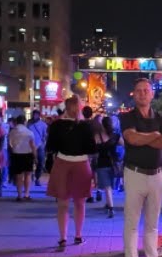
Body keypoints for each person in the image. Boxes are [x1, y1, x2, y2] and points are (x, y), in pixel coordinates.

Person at [118, 79, 162, 257]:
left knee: (152, 224)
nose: (142, 93)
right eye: (139, 90)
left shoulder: (161, 117)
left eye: (146, 90)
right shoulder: (127, 117)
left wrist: (144, 138)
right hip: (134, 173)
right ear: (134, 94)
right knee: (131, 223)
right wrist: (154, 135)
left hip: (156, 175)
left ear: (152, 94)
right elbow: (131, 139)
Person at [48, 96, 96, 246]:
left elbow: (50, 147)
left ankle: (63, 237)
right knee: (80, 203)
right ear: (80, 108)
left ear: (66, 108)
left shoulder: (56, 125)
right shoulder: (86, 126)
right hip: (81, 164)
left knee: (62, 203)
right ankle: (78, 235)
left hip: (62, 163)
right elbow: (92, 149)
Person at [92, 115, 120, 216]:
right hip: (113, 164)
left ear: (102, 125)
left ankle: (111, 208)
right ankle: (108, 204)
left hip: (102, 164)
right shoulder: (115, 136)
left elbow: (94, 150)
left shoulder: (97, 136)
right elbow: (124, 145)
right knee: (110, 186)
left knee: (107, 187)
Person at [8, 115, 36, 201]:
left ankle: (19, 195)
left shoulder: (12, 132)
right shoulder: (29, 132)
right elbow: (32, 145)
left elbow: (10, 144)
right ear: (25, 122)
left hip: (17, 154)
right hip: (28, 154)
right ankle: (26, 194)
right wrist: (35, 156)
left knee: (19, 175)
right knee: (28, 174)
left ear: (16, 122)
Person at [28, 111, 48, 186]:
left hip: (40, 146)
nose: (35, 116)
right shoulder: (29, 124)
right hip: (30, 146)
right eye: (34, 114)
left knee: (40, 162)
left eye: (36, 115)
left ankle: (37, 178)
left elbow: (45, 135)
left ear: (39, 115)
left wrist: (43, 143)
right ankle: (31, 175)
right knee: (30, 162)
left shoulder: (43, 125)